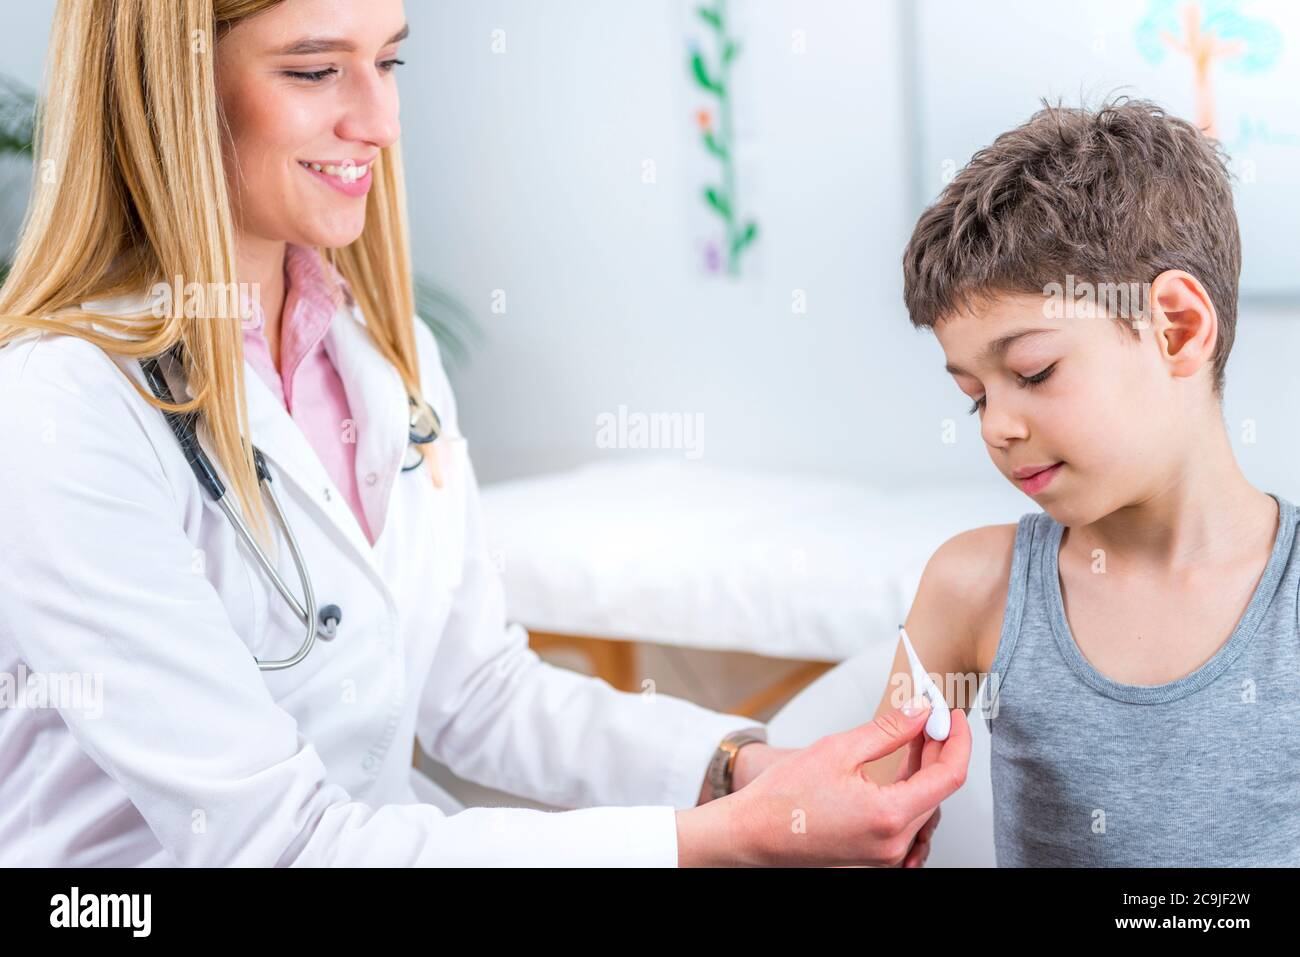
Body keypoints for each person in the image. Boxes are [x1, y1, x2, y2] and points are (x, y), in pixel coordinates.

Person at [0, 0, 968, 867]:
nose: (378, 123)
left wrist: (735, 768)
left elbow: (478, 692)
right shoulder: (67, 406)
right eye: (313, 69)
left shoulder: (388, 356)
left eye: (390, 63)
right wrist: (717, 843)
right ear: (167, 87)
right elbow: (279, 844)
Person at [861, 98, 1300, 866]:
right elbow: (858, 819)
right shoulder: (975, 590)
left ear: (1178, 328)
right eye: (975, 398)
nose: (998, 425)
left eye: (1033, 371)